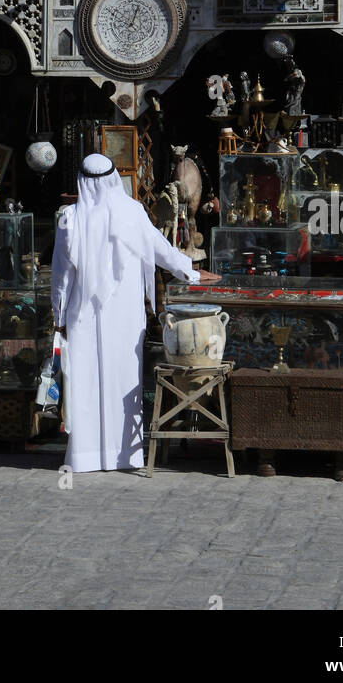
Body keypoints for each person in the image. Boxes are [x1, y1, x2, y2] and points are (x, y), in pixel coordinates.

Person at [50, 152, 218, 474]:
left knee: (86, 383)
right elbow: (162, 251)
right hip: (124, 317)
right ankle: (123, 455)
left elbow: (61, 276)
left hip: (83, 314)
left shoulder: (69, 218)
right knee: (120, 379)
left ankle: (86, 456)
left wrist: (58, 319)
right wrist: (192, 272)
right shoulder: (133, 212)